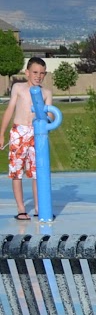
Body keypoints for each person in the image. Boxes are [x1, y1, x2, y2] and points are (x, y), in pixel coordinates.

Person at [3, 57, 50, 220]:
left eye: (42, 73)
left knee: (38, 171)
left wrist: (47, 117)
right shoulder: (19, 88)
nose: (38, 76)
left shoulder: (46, 93)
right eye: (35, 72)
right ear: (27, 72)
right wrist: (1, 133)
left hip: (36, 133)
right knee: (17, 172)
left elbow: (49, 114)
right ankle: (21, 208)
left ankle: (39, 207)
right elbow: (10, 110)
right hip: (19, 131)